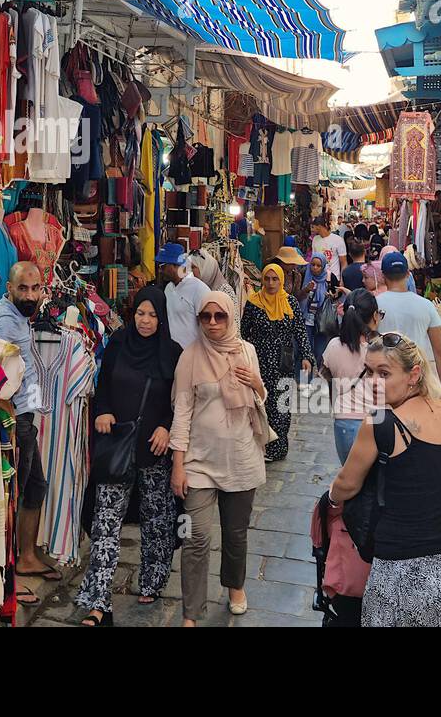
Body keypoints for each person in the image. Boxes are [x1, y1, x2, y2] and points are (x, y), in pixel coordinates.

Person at [328, 334, 441, 627]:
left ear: (413, 374)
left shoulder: (379, 422)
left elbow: (347, 484)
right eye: (369, 372)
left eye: (384, 373)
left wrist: (332, 499)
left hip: (397, 573)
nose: (372, 381)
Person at [76, 286, 181, 626]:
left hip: (154, 451)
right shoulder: (119, 344)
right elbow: (102, 386)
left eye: (152, 314)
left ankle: (152, 580)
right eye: (140, 313)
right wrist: (103, 412)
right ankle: (97, 603)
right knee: (105, 523)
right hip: (118, 447)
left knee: (158, 522)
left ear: (161, 317)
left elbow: (181, 403)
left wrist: (166, 427)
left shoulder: (173, 353)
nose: (145, 321)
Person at [170, 292, 266, 626]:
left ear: (229, 317)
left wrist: (255, 381)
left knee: (236, 533)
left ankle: (235, 585)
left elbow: (261, 396)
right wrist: (178, 464)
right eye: (205, 317)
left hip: (240, 457)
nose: (212, 323)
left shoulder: (247, 351)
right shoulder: (190, 357)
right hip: (199, 461)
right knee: (195, 537)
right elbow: (181, 413)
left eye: (219, 316)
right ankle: (191, 612)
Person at [0, 260, 52, 603]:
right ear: (9, 289)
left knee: (34, 486)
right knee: (13, 497)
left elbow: (28, 372)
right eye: (22, 288)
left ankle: (25, 556)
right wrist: (17, 422)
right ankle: (8, 577)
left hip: (25, 416)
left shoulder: (21, 319)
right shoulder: (5, 322)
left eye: (34, 288)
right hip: (14, 421)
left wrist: (36, 410)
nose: (29, 294)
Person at [241, 262, 314, 461]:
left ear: (281, 280)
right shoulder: (254, 303)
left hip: (283, 361)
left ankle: (277, 449)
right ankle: (260, 445)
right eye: (267, 279)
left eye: (275, 279)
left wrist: (307, 356)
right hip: (259, 361)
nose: (271, 283)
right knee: (261, 404)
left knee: (281, 405)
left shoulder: (289, 303)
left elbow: (300, 332)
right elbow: (244, 334)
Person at [375, 250, 441, 388]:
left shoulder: (374, 304)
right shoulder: (426, 305)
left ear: (382, 276)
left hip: (385, 376)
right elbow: (440, 352)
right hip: (416, 377)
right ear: (408, 274)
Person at [320, 290, 380, 463]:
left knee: (349, 476)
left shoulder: (333, 346)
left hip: (343, 420)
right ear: (374, 316)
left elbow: (326, 376)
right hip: (376, 421)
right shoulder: (380, 348)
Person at [157, 242, 208, 350]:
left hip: (192, 356)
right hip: (170, 355)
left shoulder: (199, 289)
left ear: (176, 265)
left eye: (163, 266)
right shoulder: (168, 289)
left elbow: (206, 326)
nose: (160, 271)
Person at [297, 254, 339, 372]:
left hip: (322, 320)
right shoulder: (304, 275)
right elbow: (297, 296)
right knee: (305, 350)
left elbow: (337, 293)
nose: (315, 268)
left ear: (323, 266)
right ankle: (306, 377)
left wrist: (331, 296)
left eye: (318, 265)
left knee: (320, 351)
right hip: (307, 318)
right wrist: (305, 290)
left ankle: (319, 374)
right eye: (313, 265)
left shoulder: (330, 277)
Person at [310, 216, 347, 281]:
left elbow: (343, 263)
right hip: (318, 278)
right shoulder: (315, 239)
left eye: (313, 227)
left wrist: (342, 280)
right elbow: (313, 259)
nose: (311, 230)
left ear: (319, 226)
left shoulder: (338, 240)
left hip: (334, 278)